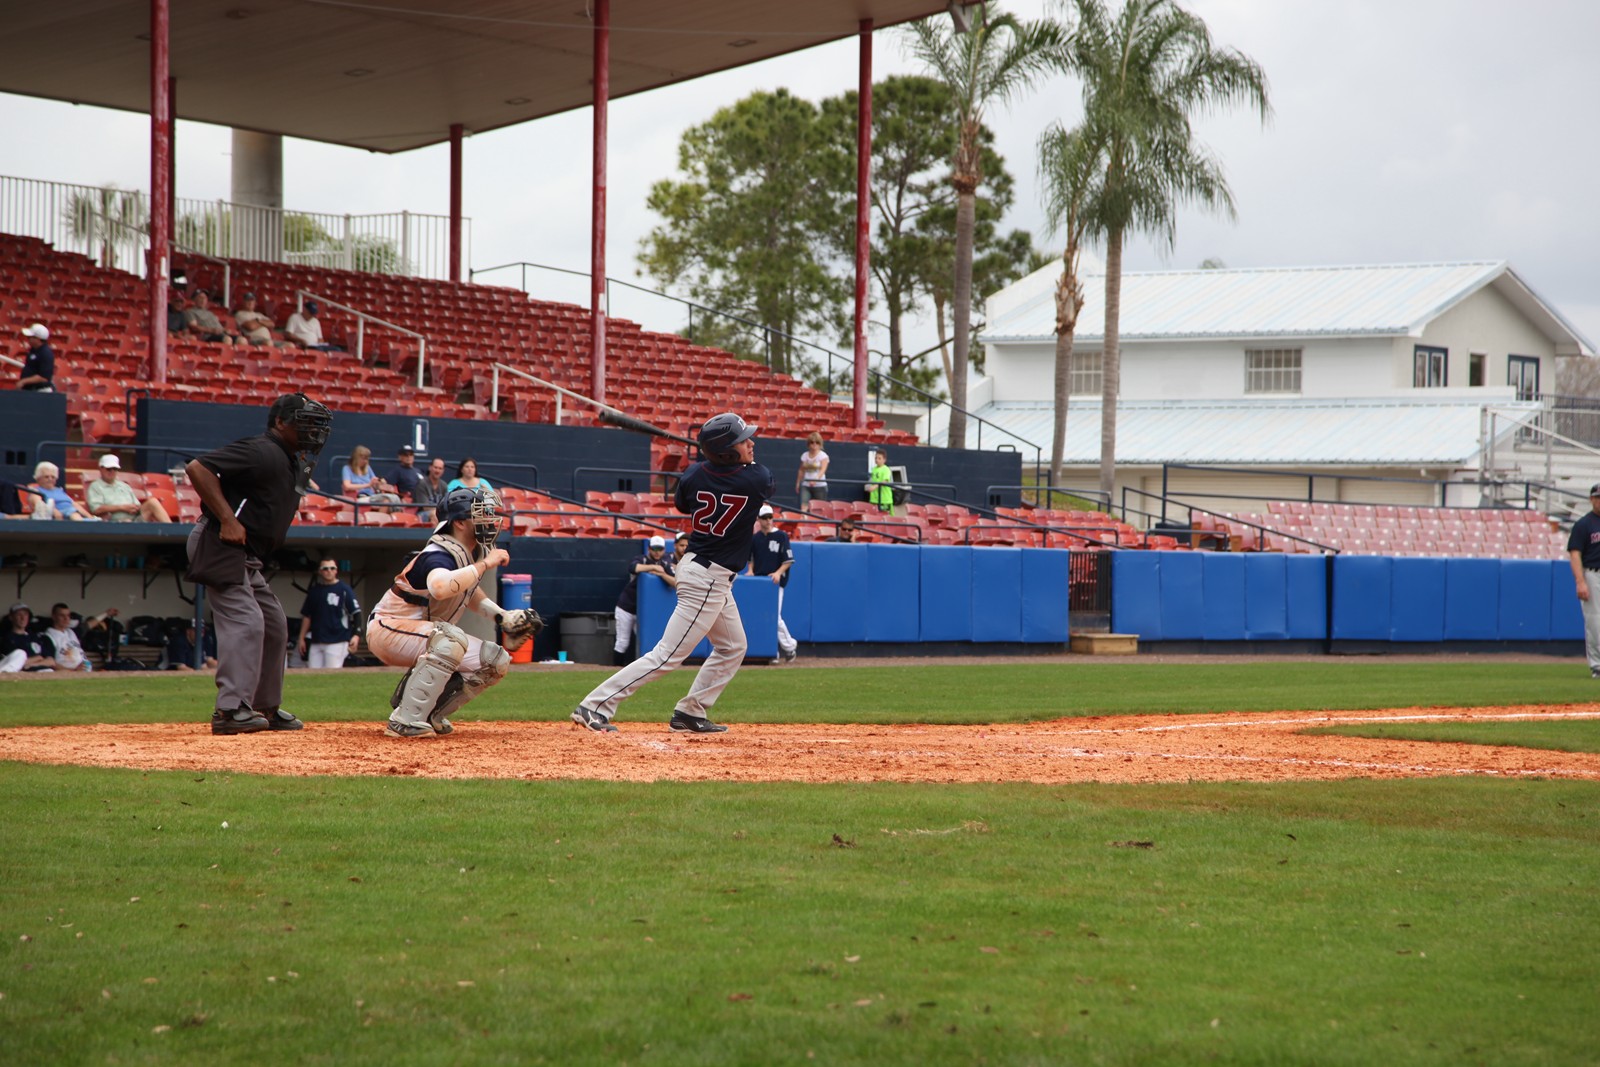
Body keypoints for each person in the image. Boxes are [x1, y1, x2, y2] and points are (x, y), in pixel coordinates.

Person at [572, 412, 772, 734]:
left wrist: (706, 464)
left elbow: (683, 501)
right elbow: (752, 478)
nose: (751, 443)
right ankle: (594, 705)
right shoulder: (756, 479)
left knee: (733, 646)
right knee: (667, 656)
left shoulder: (694, 474)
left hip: (707, 574)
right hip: (706, 579)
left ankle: (690, 712)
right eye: (742, 441)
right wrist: (712, 463)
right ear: (727, 451)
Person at [185, 392, 332, 734]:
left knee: (275, 624)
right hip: (219, 542)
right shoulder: (262, 449)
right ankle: (229, 710)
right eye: (306, 423)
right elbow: (198, 467)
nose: (314, 432)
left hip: (247, 555)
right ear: (281, 422)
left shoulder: (289, 458)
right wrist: (227, 519)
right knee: (248, 622)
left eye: (317, 426)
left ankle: (265, 707)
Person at [367, 486, 541, 738]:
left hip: (421, 633)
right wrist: (485, 564)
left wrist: (501, 617)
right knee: (451, 639)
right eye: (480, 514)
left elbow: (468, 591)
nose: (489, 519)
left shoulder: (465, 555)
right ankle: (405, 720)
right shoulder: (438, 553)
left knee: (495, 661)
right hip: (388, 628)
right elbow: (440, 587)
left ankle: (429, 713)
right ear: (459, 522)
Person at [612, 534, 677, 666]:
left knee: (645, 642)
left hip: (644, 611)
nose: (657, 552)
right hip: (627, 607)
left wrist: (662, 574)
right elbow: (633, 568)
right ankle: (615, 669)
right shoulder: (641, 558)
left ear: (664, 549)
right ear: (649, 549)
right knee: (622, 642)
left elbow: (675, 583)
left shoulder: (666, 563)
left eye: (660, 549)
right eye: (654, 549)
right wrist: (652, 567)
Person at [749, 504, 798, 663]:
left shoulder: (781, 535)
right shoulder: (756, 538)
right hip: (759, 582)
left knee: (774, 617)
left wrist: (778, 572)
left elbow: (789, 560)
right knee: (762, 617)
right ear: (759, 520)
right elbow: (751, 558)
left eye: (770, 517)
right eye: (765, 518)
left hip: (775, 582)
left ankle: (790, 647)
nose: (768, 520)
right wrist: (750, 570)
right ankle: (772, 652)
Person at [297, 559, 362, 669]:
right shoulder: (314, 591)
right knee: (313, 675)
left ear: (336, 571)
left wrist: (356, 635)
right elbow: (307, 616)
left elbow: (356, 614)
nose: (329, 571)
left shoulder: (344, 589)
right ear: (320, 571)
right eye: (325, 568)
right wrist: (301, 637)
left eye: (332, 568)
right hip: (316, 640)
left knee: (332, 674)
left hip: (337, 640)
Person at [1568, 482, 1600, 678]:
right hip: (1592, 574)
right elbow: (1575, 554)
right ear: (1591, 500)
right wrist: (1580, 581)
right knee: (1595, 622)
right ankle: (1597, 665)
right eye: (1597, 498)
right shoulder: (1584, 524)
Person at [86, 454, 171, 523]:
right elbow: (96, 509)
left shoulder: (124, 486)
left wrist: (134, 508)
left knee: (153, 502)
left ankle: (171, 530)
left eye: (115, 469)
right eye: (109, 469)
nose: (112, 472)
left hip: (134, 519)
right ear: (101, 469)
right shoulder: (95, 486)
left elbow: (136, 505)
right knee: (125, 522)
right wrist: (122, 507)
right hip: (112, 522)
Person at [28, 461, 96, 521]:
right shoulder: (35, 492)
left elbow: (74, 504)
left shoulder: (59, 490)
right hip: (57, 516)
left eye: (53, 477)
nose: (50, 479)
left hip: (72, 514)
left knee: (79, 514)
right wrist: (54, 511)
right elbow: (41, 506)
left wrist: (90, 517)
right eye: (46, 477)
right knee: (73, 513)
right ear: (38, 478)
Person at [0, 602, 55, 672]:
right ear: (11, 617)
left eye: (25, 614)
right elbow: (18, 662)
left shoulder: (35, 637)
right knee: (20, 653)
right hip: (21, 673)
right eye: (19, 615)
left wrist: (34, 663)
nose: (23, 618)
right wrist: (39, 657)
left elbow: (51, 661)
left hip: (42, 670)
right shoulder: (8, 639)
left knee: (50, 671)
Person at [44, 602, 92, 672]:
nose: (66, 618)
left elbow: (88, 625)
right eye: (62, 615)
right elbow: (51, 663)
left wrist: (106, 613)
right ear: (54, 617)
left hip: (85, 670)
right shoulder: (49, 636)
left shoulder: (71, 632)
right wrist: (74, 671)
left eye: (68, 615)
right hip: (67, 674)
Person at [796, 432, 830, 509]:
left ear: (820, 444)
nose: (814, 444)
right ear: (808, 444)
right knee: (804, 505)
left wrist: (815, 480)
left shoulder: (823, 456)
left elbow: (823, 470)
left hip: (820, 485)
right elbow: (801, 470)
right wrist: (798, 483)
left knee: (819, 508)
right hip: (806, 484)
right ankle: (803, 519)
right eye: (812, 442)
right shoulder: (805, 455)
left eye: (817, 442)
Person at [18, 323, 55, 392]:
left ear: (38, 339)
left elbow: (44, 377)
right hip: (30, 390)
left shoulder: (45, 353)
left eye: (30, 337)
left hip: (40, 391)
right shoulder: (33, 350)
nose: (28, 339)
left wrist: (23, 381)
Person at [414, 456, 450, 521]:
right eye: (435, 467)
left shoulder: (444, 485)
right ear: (430, 468)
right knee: (435, 514)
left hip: (439, 512)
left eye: (440, 468)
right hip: (422, 514)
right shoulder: (422, 483)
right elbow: (425, 507)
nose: (437, 470)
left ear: (443, 471)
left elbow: (446, 505)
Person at [867, 448, 896, 514]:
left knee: (885, 516)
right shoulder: (874, 469)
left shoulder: (886, 469)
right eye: (876, 458)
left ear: (884, 460)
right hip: (874, 498)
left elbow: (885, 481)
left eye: (879, 458)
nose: (877, 460)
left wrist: (875, 487)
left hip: (884, 499)